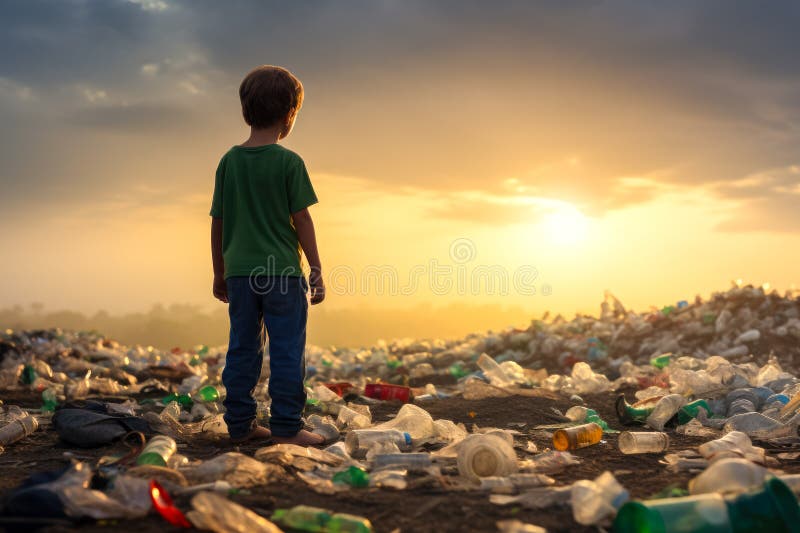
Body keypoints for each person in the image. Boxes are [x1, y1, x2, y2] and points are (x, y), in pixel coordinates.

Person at [210, 65, 326, 446]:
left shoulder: (229, 161)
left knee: (242, 348)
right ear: (289, 114)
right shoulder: (289, 163)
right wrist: (316, 267)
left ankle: (240, 426)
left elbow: (219, 222)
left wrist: (219, 272)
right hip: (282, 274)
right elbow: (303, 218)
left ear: (247, 109)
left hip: (241, 275)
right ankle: (288, 427)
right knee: (287, 349)